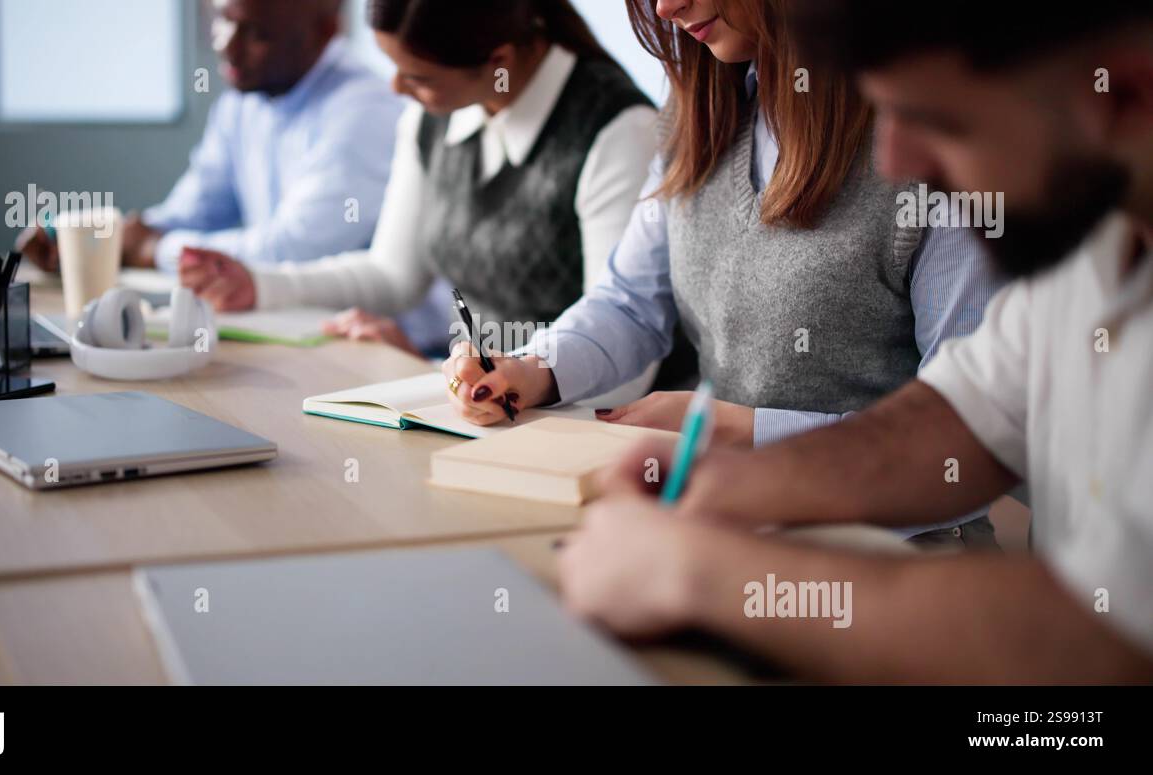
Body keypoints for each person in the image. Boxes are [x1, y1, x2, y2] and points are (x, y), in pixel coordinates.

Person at [556, 0, 1153, 683]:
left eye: (939, 122)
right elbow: (964, 414)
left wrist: (701, 575)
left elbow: (1110, 643)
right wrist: (736, 480)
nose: (894, 157)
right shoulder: (1095, 238)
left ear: (1128, 96)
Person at [442, 0, 1003, 547]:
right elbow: (630, 303)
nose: (665, 8)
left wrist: (738, 430)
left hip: (899, 561)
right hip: (728, 529)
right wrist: (531, 369)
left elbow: (963, 446)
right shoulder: (702, 108)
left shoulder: (935, 145)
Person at [177, 0, 659, 370]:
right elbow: (393, 275)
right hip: (482, 396)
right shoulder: (437, 117)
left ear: (499, 61)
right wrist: (259, 285)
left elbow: (622, 345)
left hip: (573, 421)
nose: (395, 90)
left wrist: (452, 371)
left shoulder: (616, 130)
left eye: (417, 77)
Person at [15, 0, 402, 278]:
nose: (226, 45)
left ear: (325, 31)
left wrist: (153, 250)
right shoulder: (242, 103)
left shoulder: (364, 108)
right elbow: (192, 210)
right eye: (222, 20)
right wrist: (96, 241)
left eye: (256, 33)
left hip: (388, 350)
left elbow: (295, 251)